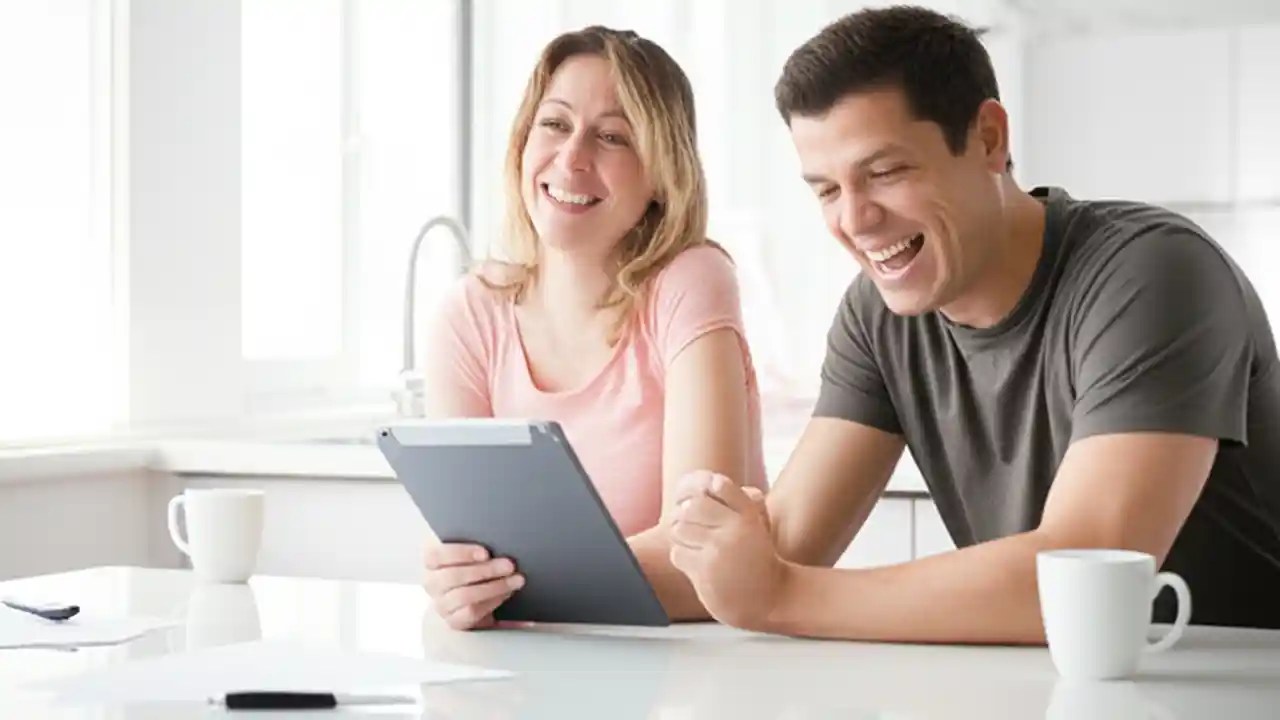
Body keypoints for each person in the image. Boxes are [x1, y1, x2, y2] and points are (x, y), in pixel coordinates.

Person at [669, 5, 1280, 641]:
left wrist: (780, 596)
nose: (854, 220)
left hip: (1237, 676)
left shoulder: (1152, 273)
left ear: (988, 138)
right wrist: (699, 553)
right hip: (1059, 681)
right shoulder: (880, 312)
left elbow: (1086, 573)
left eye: (885, 172)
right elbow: (783, 545)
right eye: (826, 190)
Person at [420, 26, 766, 630]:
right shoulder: (469, 314)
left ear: (662, 175)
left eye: (612, 137)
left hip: (689, 665)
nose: (572, 158)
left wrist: (517, 584)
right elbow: (469, 546)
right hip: (534, 663)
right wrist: (459, 583)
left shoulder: (691, 280)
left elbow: (703, 555)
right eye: (555, 124)